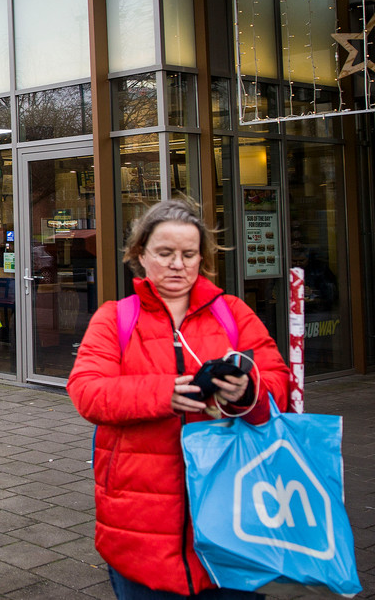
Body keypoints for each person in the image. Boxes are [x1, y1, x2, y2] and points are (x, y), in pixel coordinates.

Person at [67, 198, 289, 599]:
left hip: (233, 514)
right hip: (140, 523)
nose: (177, 264)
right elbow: (87, 391)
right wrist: (162, 393)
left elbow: (277, 382)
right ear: (140, 255)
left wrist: (247, 391)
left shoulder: (234, 313)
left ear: (201, 258)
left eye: (188, 254)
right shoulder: (115, 318)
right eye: (165, 253)